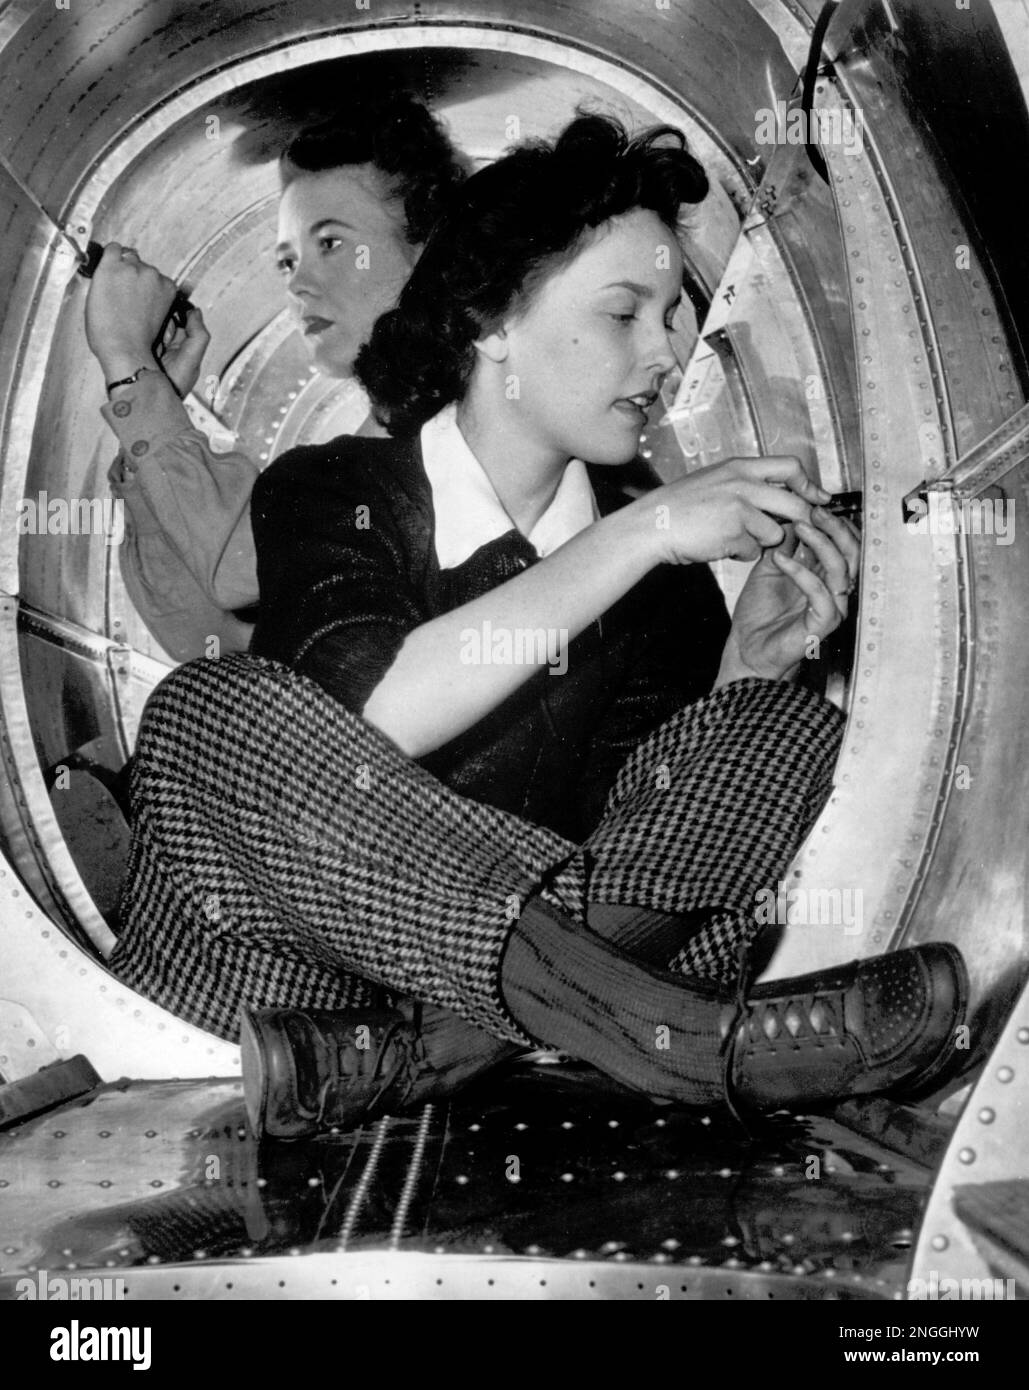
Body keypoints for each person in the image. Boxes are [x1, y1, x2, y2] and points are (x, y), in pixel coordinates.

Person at [110, 114, 967, 1139]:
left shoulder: (664, 586)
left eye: (670, 315)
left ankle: (425, 1055)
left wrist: (749, 665)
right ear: (492, 322)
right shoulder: (331, 489)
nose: (664, 350)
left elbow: (647, 855)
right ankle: (694, 1044)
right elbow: (374, 722)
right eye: (623, 314)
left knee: (783, 731)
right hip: (272, 1003)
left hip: (430, 1055)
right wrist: (643, 531)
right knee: (207, 712)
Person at [84, 95, 467, 661]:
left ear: (427, 248)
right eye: (288, 261)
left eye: (330, 244)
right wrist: (154, 396)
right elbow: (218, 646)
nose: (298, 284)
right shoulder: (379, 438)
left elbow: (237, 570)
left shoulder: (458, 419)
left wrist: (128, 363)